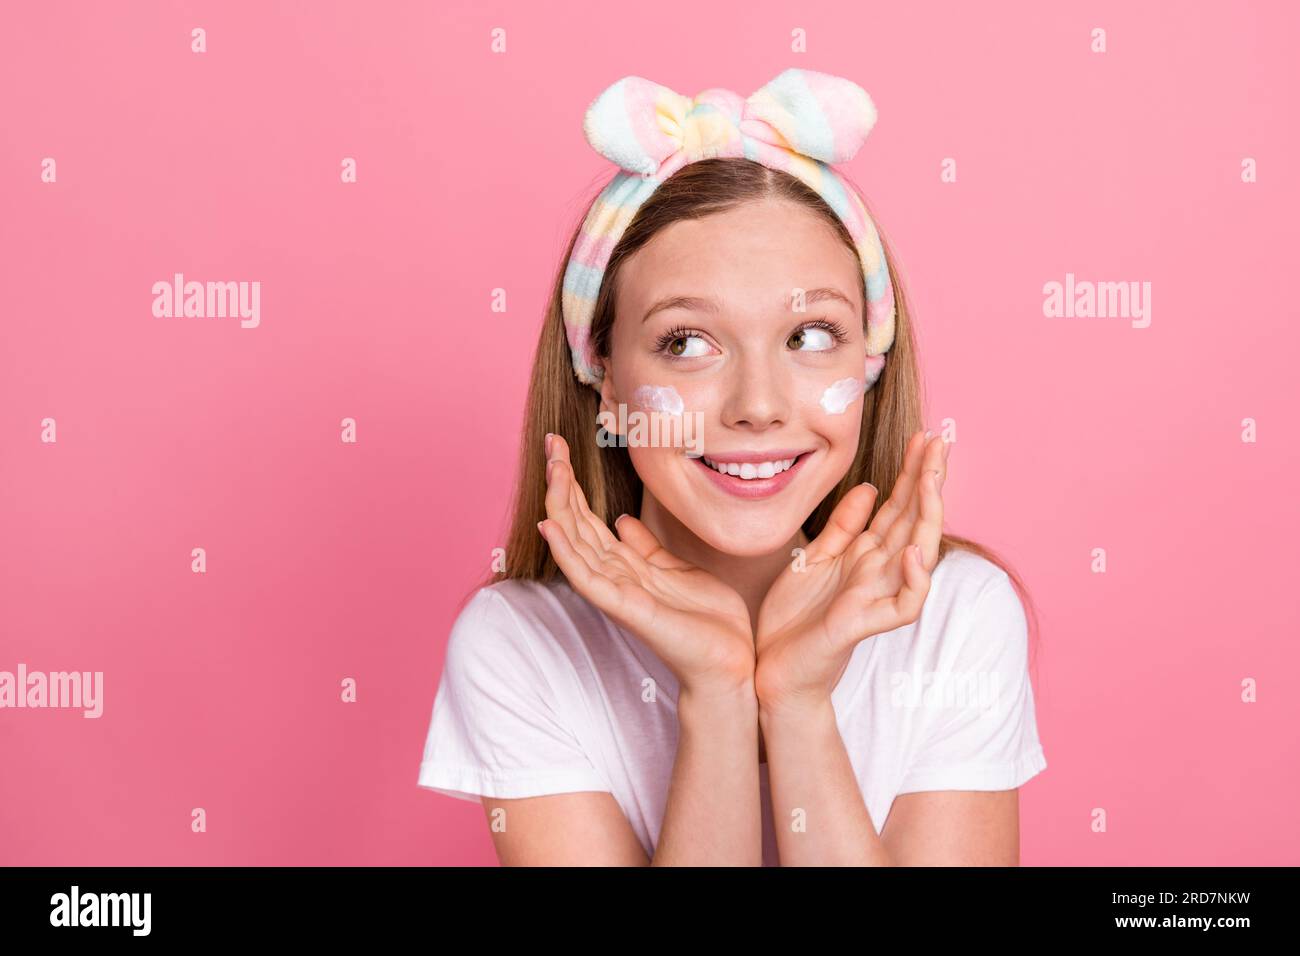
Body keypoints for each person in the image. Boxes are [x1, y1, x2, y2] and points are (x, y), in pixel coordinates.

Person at [417, 69, 1047, 865]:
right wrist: (717, 699)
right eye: (687, 343)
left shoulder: (957, 617)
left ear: (871, 363)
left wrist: (799, 705)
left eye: (812, 336)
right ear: (603, 378)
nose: (758, 405)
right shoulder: (523, 646)